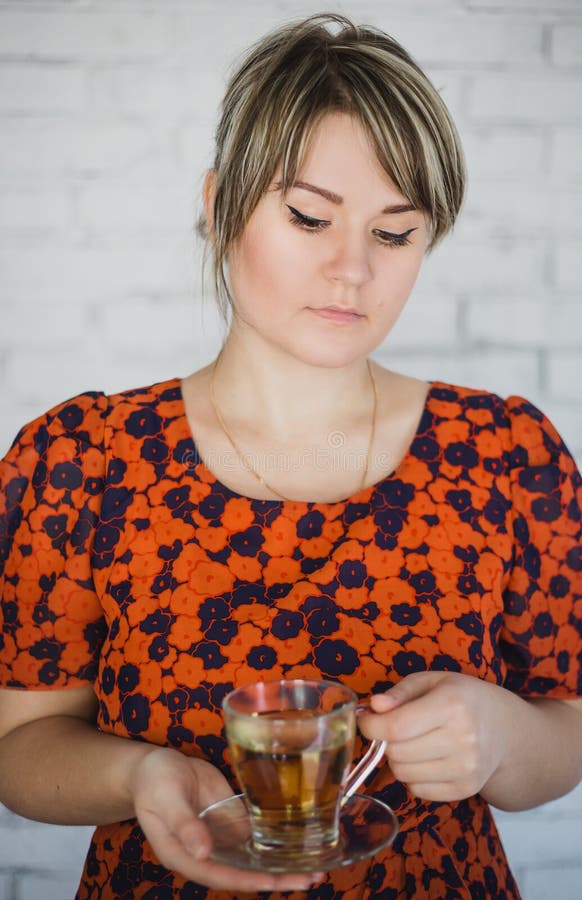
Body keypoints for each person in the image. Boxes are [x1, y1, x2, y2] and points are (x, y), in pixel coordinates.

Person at [0, 11, 581, 899]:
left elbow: (566, 735)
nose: (352, 270)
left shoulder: (508, 457)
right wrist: (134, 777)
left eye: (395, 233)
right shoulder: (82, 462)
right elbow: (19, 748)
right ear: (219, 202)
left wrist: (501, 737)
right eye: (311, 218)